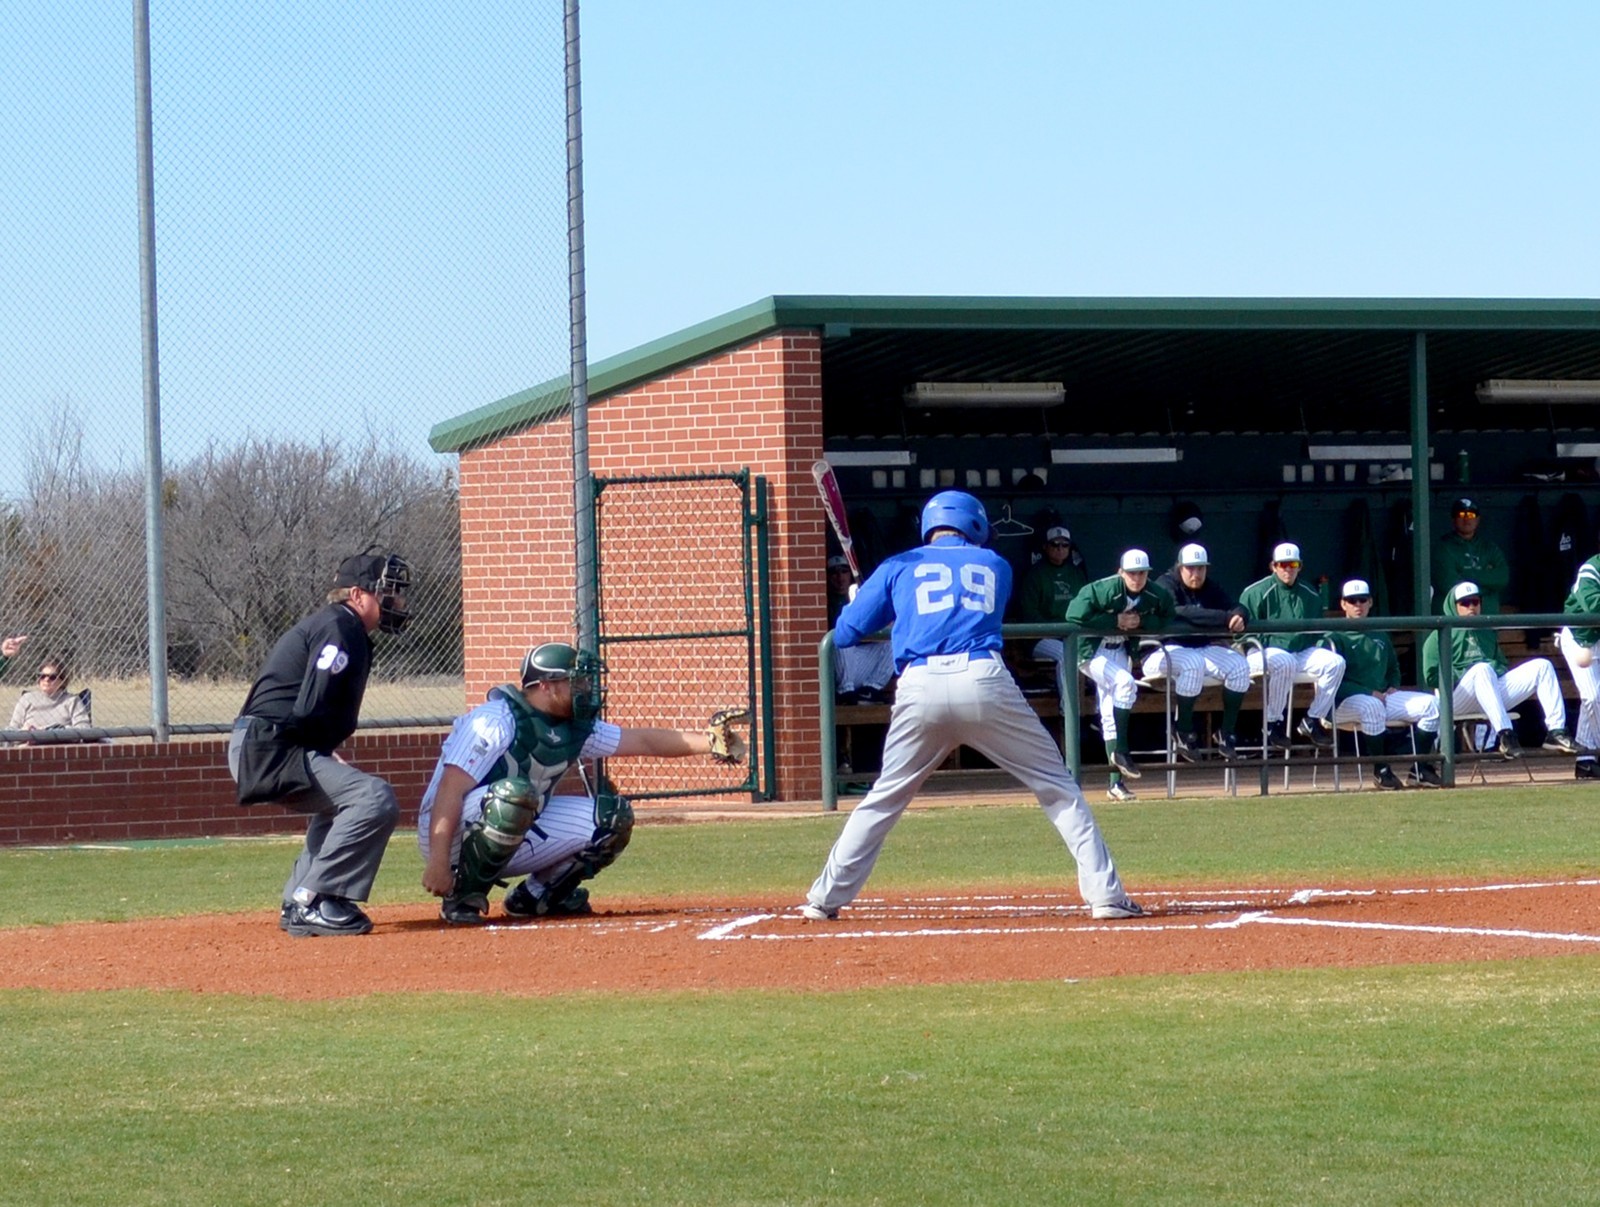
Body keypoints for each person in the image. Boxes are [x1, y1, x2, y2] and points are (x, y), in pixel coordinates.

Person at [801, 490, 1142, 922]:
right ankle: (1105, 896)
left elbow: (846, 633)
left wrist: (858, 600)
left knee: (884, 798)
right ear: (972, 523)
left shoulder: (897, 566)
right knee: (1057, 786)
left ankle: (824, 898)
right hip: (983, 680)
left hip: (918, 686)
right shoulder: (995, 564)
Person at [420, 641, 742, 924]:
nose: (584, 689)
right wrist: (437, 861)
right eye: (575, 681)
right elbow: (450, 790)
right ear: (546, 686)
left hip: (512, 817)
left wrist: (710, 742)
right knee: (514, 796)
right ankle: (462, 898)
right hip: (449, 834)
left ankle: (536, 897)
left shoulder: (574, 725)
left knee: (612, 819)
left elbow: (642, 740)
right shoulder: (495, 720)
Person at [227, 551, 412, 937]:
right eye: (389, 593)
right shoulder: (339, 627)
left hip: (269, 740)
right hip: (270, 745)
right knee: (373, 799)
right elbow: (313, 702)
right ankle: (314, 900)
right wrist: (316, 747)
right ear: (359, 595)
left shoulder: (342, 627)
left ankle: (301, 898)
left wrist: (321, 749)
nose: (397, 602)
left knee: (341, 804)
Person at [1062, 548, 1174, 802]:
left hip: (1121, 649)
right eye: (1131, 573)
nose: (1136, 578)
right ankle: (1122, 750)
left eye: (1141, 573)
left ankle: (1115, 784)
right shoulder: (1103, 589)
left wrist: (1143, 624)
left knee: (1109, 714)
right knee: (1125, 683)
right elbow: (1073, 615)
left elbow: (1168, 614)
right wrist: (1115, 621)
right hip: (1092, 651)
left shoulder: (1154, 592)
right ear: (1121, 572)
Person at [1420, 581, 1577, 760]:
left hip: (1489, 694)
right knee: (1482, 669)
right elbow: (1431, 676)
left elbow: (1501, 664)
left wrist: (1491, 668)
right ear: (1453, 606)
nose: (1471, 607)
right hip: (1455, 699)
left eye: (1475, 602)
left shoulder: (1485, 631)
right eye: (1465, 603)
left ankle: (1556, 732)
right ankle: (1505, 735)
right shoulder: (1439, 635)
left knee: (1542, 666)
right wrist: (1466, 672)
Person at [1326, 579, 1443, 790]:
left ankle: (1420, 768)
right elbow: (1330, 683)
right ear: (1343, 604)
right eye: (1351, 600)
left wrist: (1393, 685)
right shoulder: (1334, 636)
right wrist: (1367, 692)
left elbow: (1393, 666)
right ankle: (1381, 771)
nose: (1357, 605)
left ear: (1370, 602)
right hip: (1341, 703)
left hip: (1380, 698)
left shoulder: (1378, 633)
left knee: (1431, 705)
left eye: (1362, 600)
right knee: (1372, 706)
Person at [1147, 543, 1250, 761]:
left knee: (1240, 666)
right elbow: (1180, 612)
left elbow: (1235, 606)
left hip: (1197, 648)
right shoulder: (1165, 584)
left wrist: (1240, 615)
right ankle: (1182, 730)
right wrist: (1224, 618)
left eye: (1200, 568)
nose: (1196, 574)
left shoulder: (1209, 587)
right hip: (1159, 650)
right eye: (1190, 568)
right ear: (1180, 567)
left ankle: (1226, 732)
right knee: (1193, 663)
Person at [1238, 541, 1346, 751]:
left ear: (1300, 566)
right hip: (1259, 654)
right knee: (1284, 661)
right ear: (1273, 566)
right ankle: (1272, 723)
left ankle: (1312, 719)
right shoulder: (1255, 592)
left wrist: (1318, 644)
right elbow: (1243, 637)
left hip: (1298, 652)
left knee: (1336, 662)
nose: (1287, 569)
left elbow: (1318, 633)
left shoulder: (1310, 594)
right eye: (1282, 564)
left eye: (1292, 565)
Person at [1010, 525, 1089, 706]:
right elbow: (1029, 616)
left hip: (1072, 635)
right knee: (1066, 654)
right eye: (1055, 545)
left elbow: (1087, 607)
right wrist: (1060, 632)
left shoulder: (1076, 574)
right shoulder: (1034, 575)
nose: (1060, 549)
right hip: (1040, 638)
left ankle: (1098, 714)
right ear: (1045, 547)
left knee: (1101, 651)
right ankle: (1069, 712)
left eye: (1065, 545)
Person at [826, 554, 894, 704]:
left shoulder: (858, 597)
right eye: (834, 573)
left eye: (844, 571)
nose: (840, 577)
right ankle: (845, 694)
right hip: (833, 666)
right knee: (842, 637)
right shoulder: (824, 600)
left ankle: (870, 691)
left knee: (891, 640)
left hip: (856, 662)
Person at [1558, 546, 1600, 779]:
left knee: (1590, 699)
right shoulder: (1592, 567)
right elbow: (1592, 605)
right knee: (1593, 695)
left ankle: (1585, 761)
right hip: (1579, 639)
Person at [1433, 497, 1510, 614]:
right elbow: (1449, 584)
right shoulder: (1443, 547)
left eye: (1471, 515)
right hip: (1453, 623)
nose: (1466, 519)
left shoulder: (1489, 548)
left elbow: (1502, 577)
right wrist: (1488, 585)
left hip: (1487, 619)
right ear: (1453, 519)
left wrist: (1466, 576)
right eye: (1461, 515)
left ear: (1478, 519)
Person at [7, 657, 91, 736]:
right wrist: (25, 731)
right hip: (29, 746)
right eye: (42, 676)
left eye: (52, 677)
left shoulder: (72, 701)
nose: (46, 680)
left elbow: (84, 728)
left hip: (60, 746)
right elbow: (12, 729)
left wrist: (59, 730)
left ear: (63, 681)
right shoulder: (27, 699)